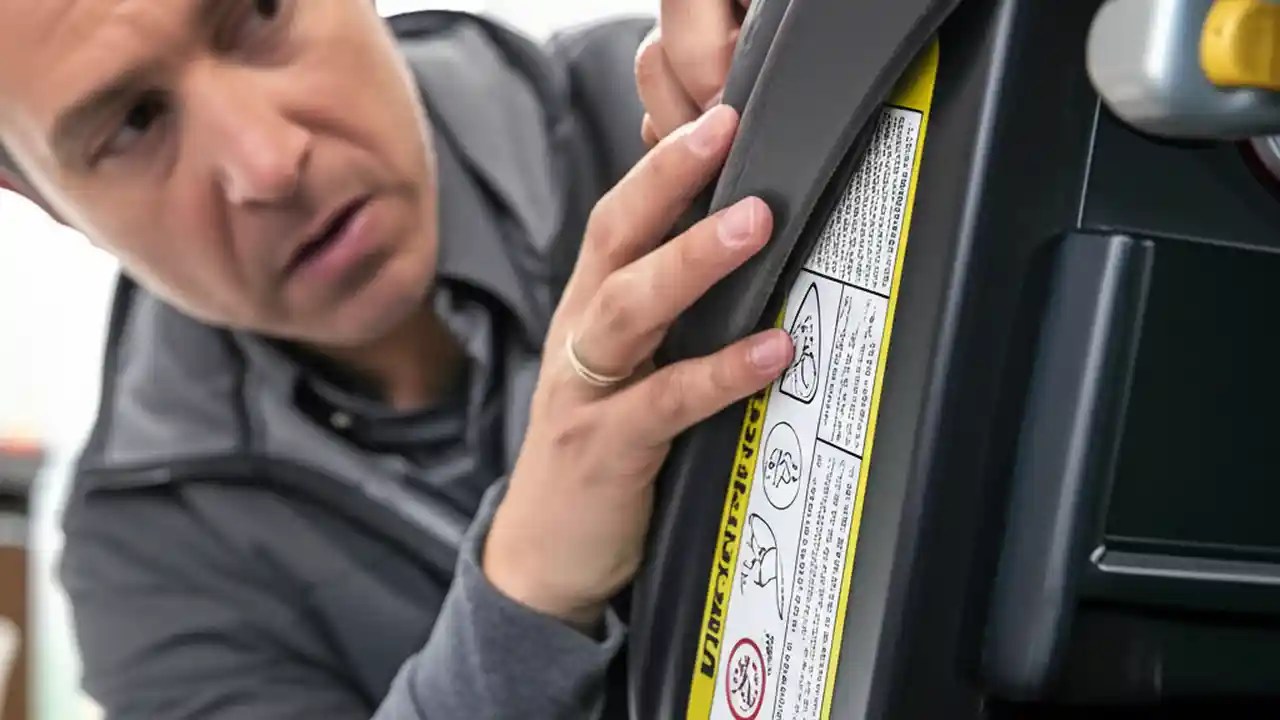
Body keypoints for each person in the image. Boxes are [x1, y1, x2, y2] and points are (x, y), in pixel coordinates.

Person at [0, 0, 794, 718]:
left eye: (261, 10)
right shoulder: (149, 565)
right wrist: (525, 592)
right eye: (135, 124)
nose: (270, 162)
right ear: (38, 196)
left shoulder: (700, 121)